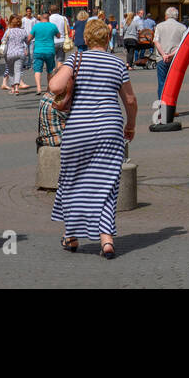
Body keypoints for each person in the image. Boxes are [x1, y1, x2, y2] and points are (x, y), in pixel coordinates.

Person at [50, 18, 138, 258]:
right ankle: (106, 240)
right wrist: (130, 125)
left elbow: (55, 87)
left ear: (86, 39)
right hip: (110, 129)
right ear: (108, 38)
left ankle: (71, 237)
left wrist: (62, 74)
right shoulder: (117, 64)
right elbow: (129, 100)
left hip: (78, 130)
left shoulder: (75, 60)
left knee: (72, 180)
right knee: (107, 184)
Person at [153, 7, 187, 108]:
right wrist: (171, 55)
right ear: (177, 16)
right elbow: (183, 45)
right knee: (173, 85)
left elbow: (156, 41)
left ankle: (162, 107)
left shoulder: (159, 26)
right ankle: (172, 107)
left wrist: (164, 54)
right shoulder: (182, 27)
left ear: (166, 16)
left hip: (161, 58)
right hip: (175, 59)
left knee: (162, 83)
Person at [1, 15, 32, 96]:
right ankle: (17, 88)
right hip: (20, 53)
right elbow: (27, 41)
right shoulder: (23, 31)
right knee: (18, 71)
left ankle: (12, 89)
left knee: (11, 71)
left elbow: (3, 40)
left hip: (9, 53)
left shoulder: (8, 31)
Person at [31, 11, 60, 94]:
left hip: (38, 51)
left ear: (41, 18)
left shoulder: (36, 26)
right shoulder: (52, 26)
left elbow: (30, 37)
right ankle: (49, 87)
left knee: (37, 70)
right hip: (49, 50)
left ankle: (39, 88)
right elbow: (58, 36)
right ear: (48, 18)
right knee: (50, 70)